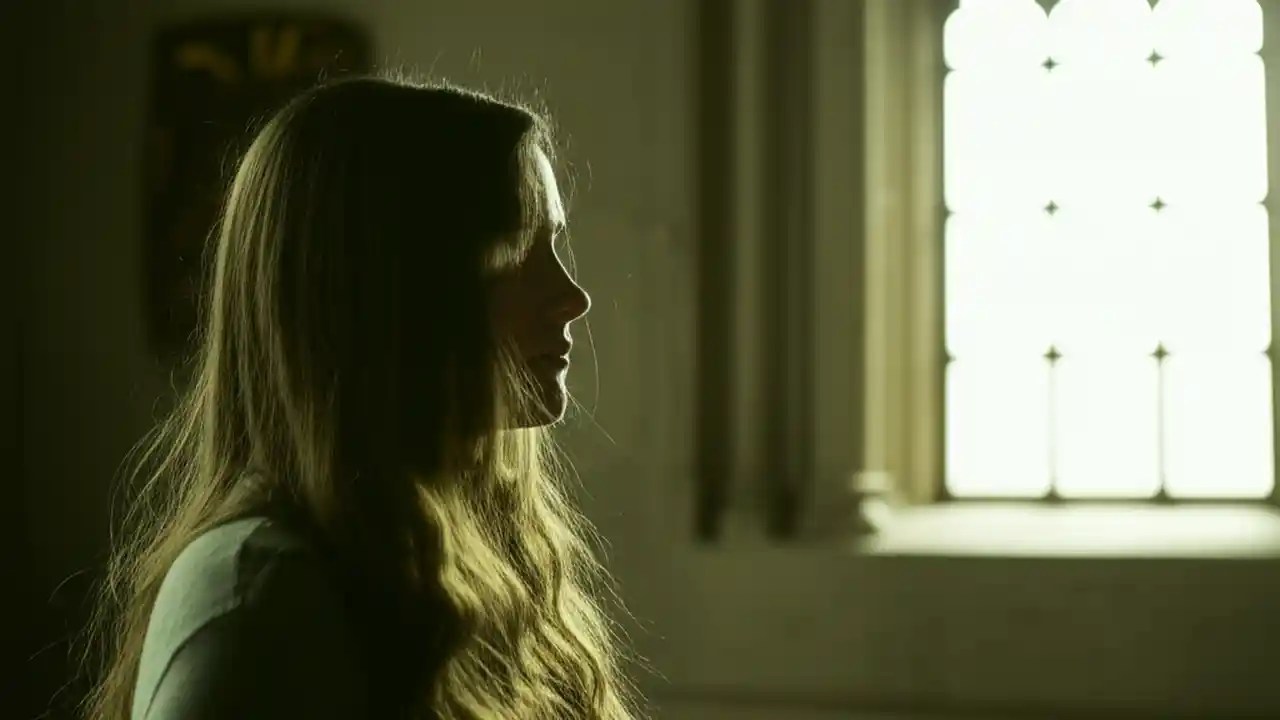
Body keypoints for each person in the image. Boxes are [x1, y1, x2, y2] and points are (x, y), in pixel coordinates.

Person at [78, 74, 646, 719]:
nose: (574, 298)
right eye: (519, 250)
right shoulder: (257, 599)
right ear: (388, 291)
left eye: (555, 244)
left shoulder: (456, 569)